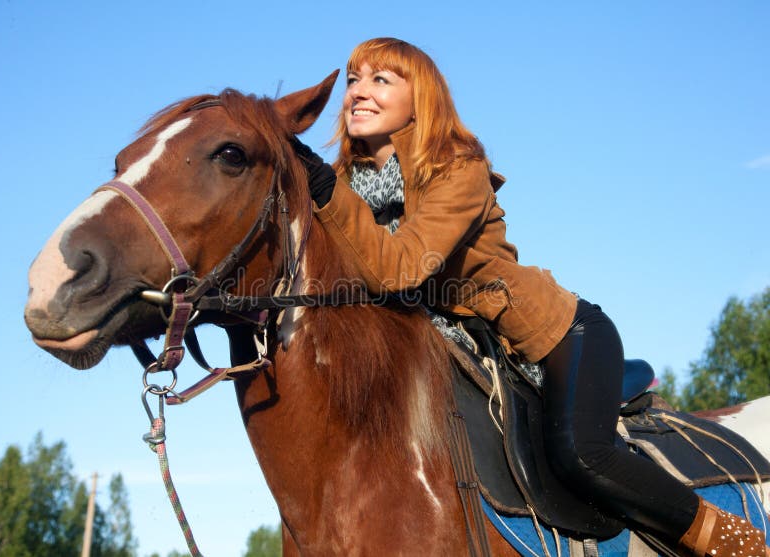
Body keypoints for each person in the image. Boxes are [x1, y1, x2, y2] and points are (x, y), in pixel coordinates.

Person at [292, 37, 768, 557]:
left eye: (380, 79)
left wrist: (324, 191)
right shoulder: (341, 187)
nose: (358, 92)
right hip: (446, 349)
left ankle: (735, 541)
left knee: (581, 457)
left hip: (558, 334)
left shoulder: (457, 168)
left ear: (419, 99)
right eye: (354, 80)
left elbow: (399, 269)